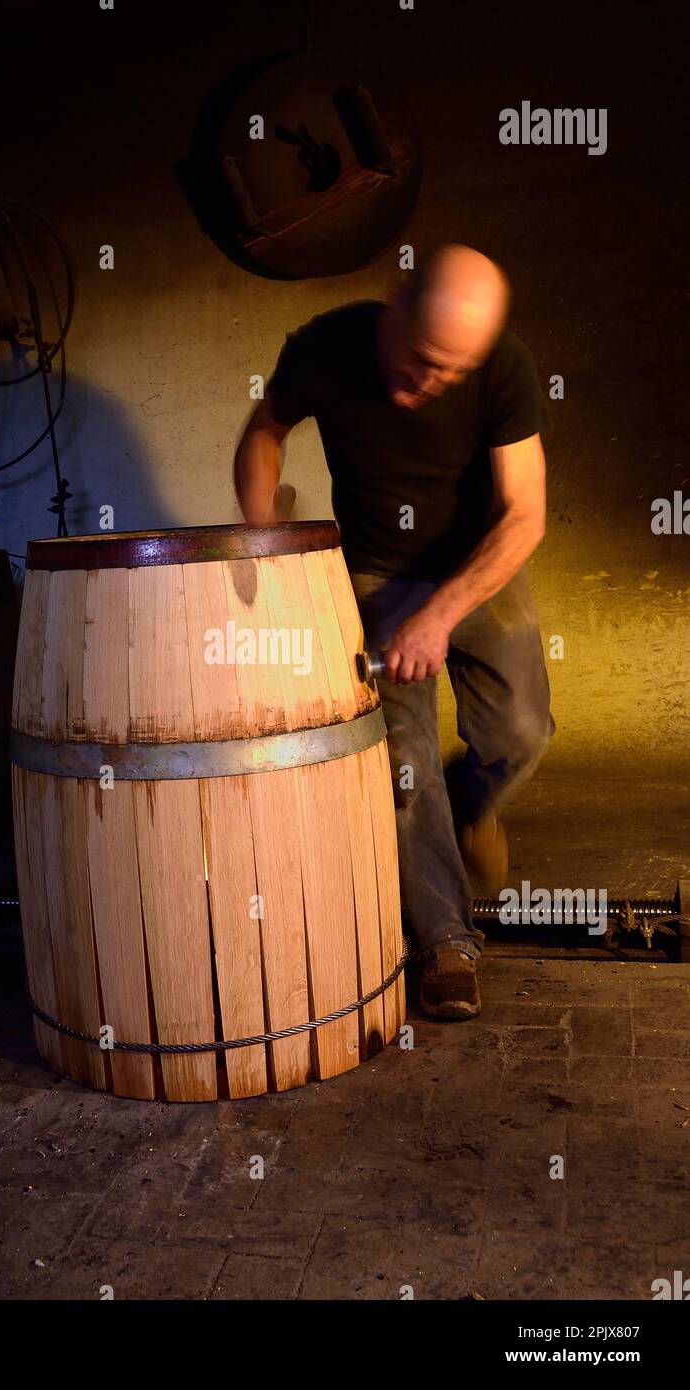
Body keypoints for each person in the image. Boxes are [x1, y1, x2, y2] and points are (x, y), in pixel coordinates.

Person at [233, 243, 555, 1020]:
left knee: (522, 730)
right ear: (396, 301)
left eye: (452, 372)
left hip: (478, 568)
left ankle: (471, 807)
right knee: (402, 767)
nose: (432, 383)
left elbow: (525, 513)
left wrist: (439, 614)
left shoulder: (503, 367)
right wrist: (261, 525)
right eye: (421, 361)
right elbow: (263, 432)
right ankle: (446, 945)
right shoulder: (324, 347)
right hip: (375, 573)